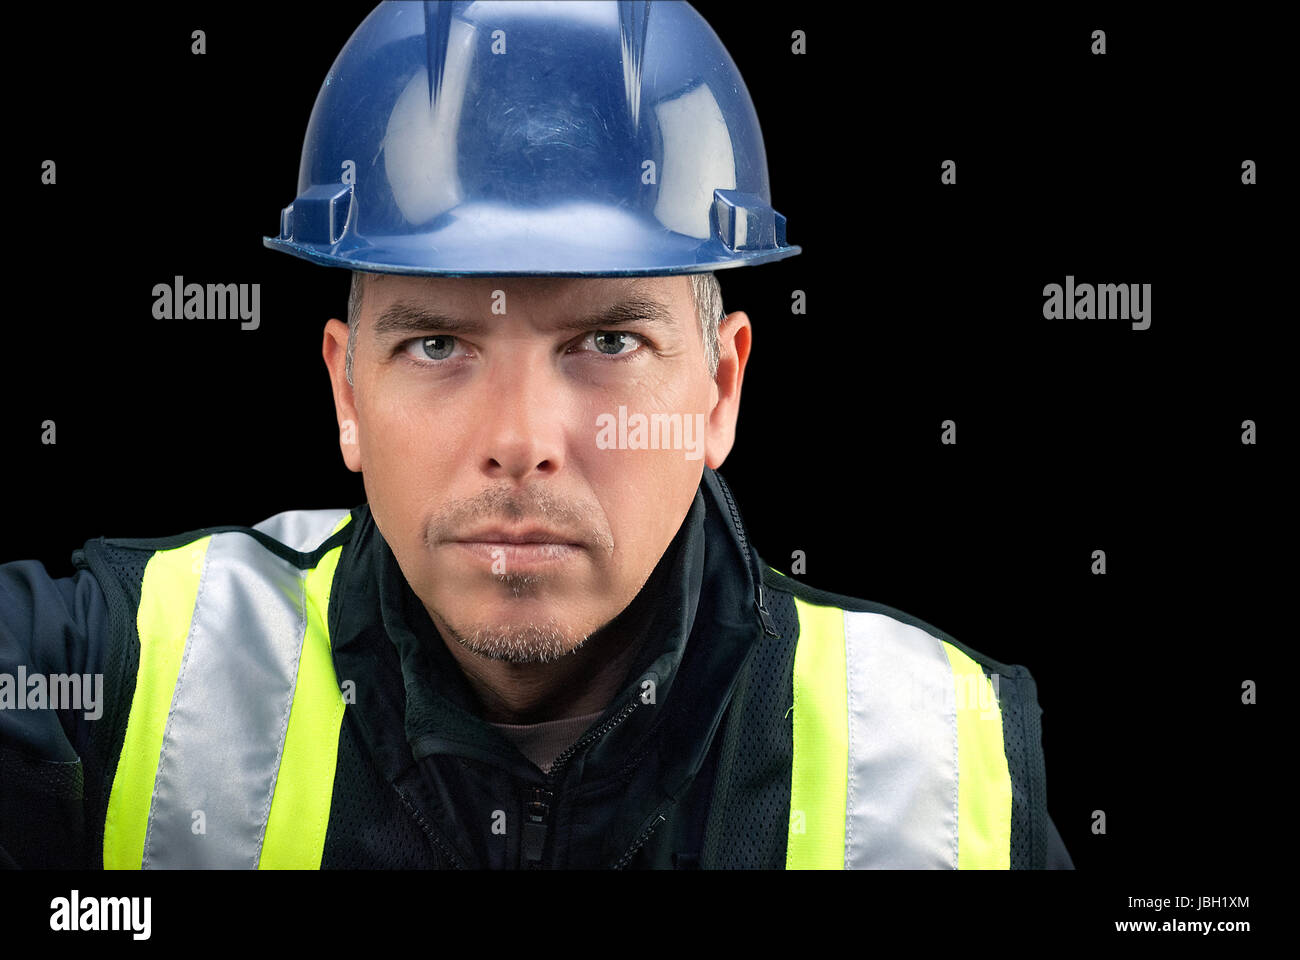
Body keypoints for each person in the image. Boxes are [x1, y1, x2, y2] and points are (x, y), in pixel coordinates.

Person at [0, 0, 1072, 869]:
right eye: (435, 346)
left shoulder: (935, 760)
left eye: (606, 340)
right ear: (345, 393)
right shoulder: (123, 667)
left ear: (718, 390)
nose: (520, 440)